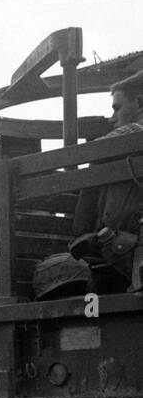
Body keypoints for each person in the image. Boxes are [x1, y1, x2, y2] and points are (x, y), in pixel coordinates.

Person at [70, 71, 143, 293]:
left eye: (117, 107)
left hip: (121, 256)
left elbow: (80, 224)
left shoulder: (132, 133)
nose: (111, 118)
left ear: (140, 103)